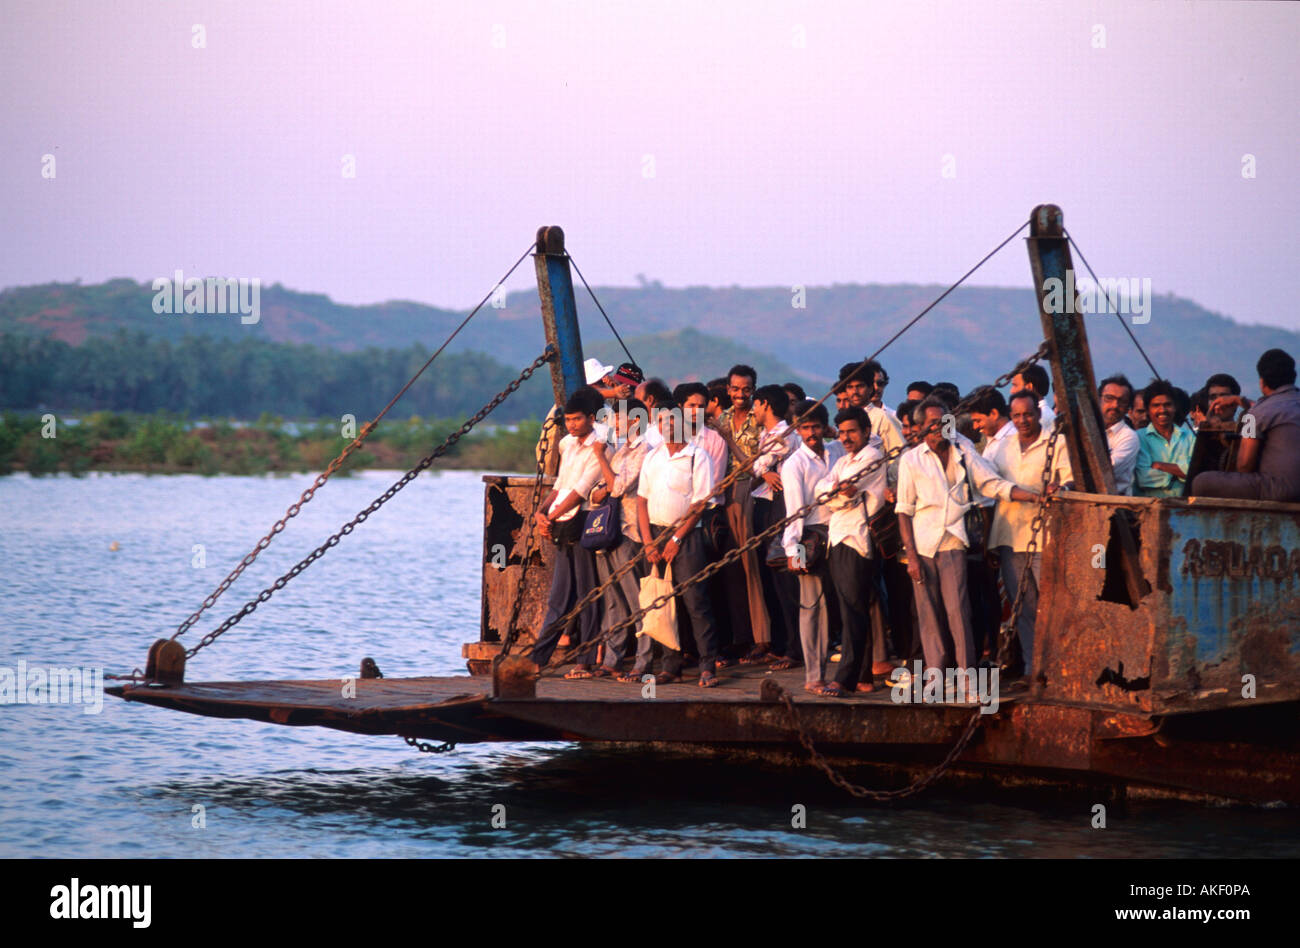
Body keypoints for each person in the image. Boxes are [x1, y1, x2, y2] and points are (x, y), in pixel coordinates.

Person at [895, 397, 1037, 677]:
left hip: (953, 541)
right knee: (929, 615)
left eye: (944, 422)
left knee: (959, 612)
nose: (939, 428)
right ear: (922, 428)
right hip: (923, 545)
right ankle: (936, 675)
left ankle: (967, 676)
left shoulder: (963, 449)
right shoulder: (911, 460)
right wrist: (911, 557)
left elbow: (991, 483)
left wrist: (1032, 495)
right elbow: (903, 511)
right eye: (932, 424)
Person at [634, 400, 723, 687]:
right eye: (663, 422)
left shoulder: (699, 457)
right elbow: (641, 500)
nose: (668, 427)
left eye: (674, 422)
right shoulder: (653, 456)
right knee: (663, 602)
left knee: (696, 602)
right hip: (655, 536)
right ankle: (670, 666)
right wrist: (648, 542)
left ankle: (707, 665)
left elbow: (700, 503)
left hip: (687, 535)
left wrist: (676, 538)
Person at [986, 390, 1072, 680]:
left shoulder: (1056, 442)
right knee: (1022, 606)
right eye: (1017, 415)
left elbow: (1068, 478)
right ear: (1011, 417)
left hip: (1046, 535)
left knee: (1051, 605)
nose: (1023, 420)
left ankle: (1057, 668)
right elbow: (985, 481)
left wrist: (1061, 490)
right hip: (1010, 534)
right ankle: (1032, 668)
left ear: (1038, 413)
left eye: (1028, 414)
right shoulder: (1001, 447)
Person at [529, 390, 608, 677]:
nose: (572, 425)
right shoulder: (568, 445)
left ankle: (585, 660)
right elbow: (561, 484)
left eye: (577, 419)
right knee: (560, 595)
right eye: (569, 420)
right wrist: (541, 512)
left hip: (584, 520)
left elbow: (581, 490)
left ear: (590, 418)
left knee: (588, 594)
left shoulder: (601, 446)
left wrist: (549, 517)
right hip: (562, 518)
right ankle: (538, 658)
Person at [816, 406, 887, 695]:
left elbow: (843, 497)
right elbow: (824, 493)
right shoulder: (845, 461)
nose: (845, 437)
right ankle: (864, 676)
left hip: (855, 539)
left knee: (853, 611)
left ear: (866, 432)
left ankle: (845, 678)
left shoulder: (870, 457)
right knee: (855, 608)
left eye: (852, 431)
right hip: (839, 537)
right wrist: (836, 492)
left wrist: (837, 495)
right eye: (842, 432)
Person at [780, 400, 845, 694]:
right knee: (813, 607)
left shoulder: (838, 451)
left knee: (841, 604)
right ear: (798, 429)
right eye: (805, 427)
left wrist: (835, 433)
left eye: (816, 426)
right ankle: (814, 675)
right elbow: (794, 511)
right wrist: (794, 551)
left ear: (824, 426)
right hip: (809, 538)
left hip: (842, 534)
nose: (811, 433)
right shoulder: (795, 464)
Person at [588, 398, 649, 678]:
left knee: (637, 599)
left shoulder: (644, 450)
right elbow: (600, 489)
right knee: (613, 598)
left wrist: (600, 456)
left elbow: (618, 486)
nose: (614, 423)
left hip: (630, 530)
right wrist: (602, 488)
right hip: (610, 531)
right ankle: (613, 659)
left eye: (619, 418)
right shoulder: (623, 450)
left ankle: (643, 661)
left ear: (635, 420)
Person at [1192, 349, 1300, 502]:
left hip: (1278, 490)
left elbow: (1244, 466)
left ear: (1262, 382)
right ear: (1293, 377)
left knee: (1201, 481)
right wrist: (1240, 400)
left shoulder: (1255, 413)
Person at [748, 384, 802, 666]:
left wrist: (763, 470)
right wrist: (762, 470)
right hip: (763, 505)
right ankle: (779, 643)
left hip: (778, 507)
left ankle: (794, 648)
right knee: (769, 579)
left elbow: (757, 467)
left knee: (784, 579)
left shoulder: (784, 434)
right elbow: (759, 469)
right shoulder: (766, 435)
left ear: (765, 404)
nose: (753, 411)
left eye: (755, 405)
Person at [1134, 379, 1194, 498]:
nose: (1162, 410)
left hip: (1184, 510)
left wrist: (1161, 466)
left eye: (1167, 405)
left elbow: (1195, 473)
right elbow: (1143, 478)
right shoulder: (1138, 437)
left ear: (1175, 407)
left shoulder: (1190, 437)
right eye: (1156, 405)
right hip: (1148, 508)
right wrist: (1178, 474)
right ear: (1147, 409)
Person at [1098, 374, 1140, 495]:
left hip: (1115, 504)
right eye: (1109, 398)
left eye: (1122, 401)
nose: (1115, 405)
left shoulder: (1128, 436)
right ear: (1098, 399)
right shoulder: (1088, 430)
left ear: (1128, 407)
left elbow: (1107, 470)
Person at [1011, 363, 1055, 430]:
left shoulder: (1043, 418)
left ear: (1029, 387)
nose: (1011, 391)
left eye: (1015, 385)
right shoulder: (1046, 414)